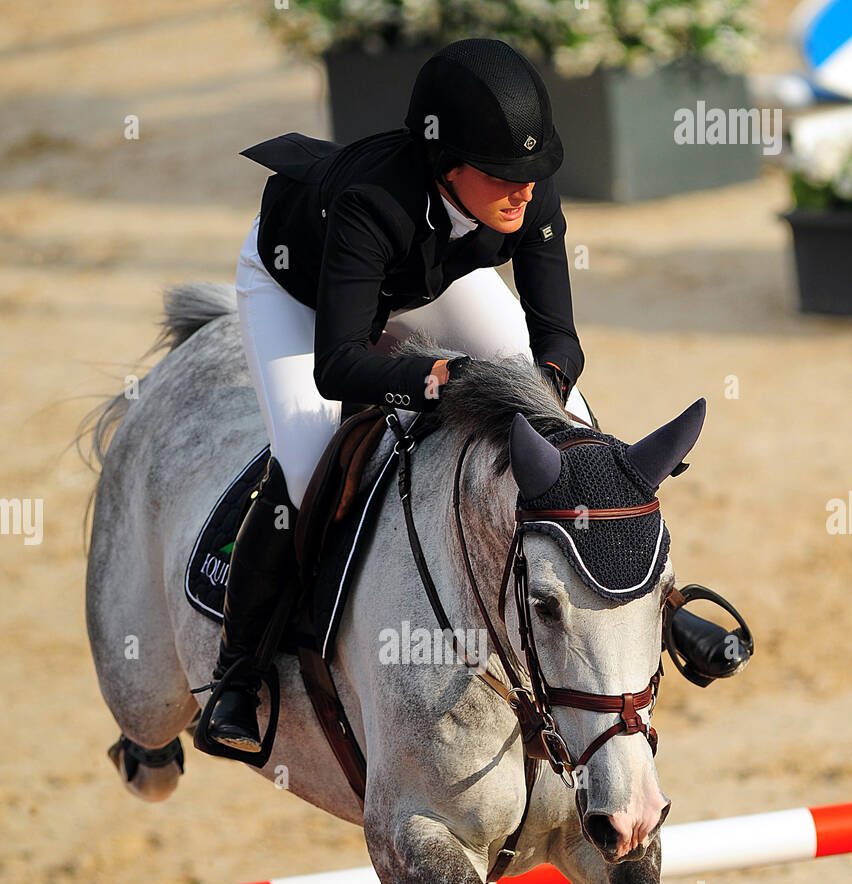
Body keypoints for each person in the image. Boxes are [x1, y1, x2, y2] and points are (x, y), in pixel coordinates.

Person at [205, 37, 748, 755]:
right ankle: (238, 677)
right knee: (305, 465)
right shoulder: (371, 203)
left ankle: (670, 607)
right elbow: (340, 364)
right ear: (448, 169)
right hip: (299, 290)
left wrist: (537, 397)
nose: (525, 190)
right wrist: (438, 381)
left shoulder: (522, 195)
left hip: (432, 275)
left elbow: (560, 343)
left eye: (533, 170)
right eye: (503, 174)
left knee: (576, 423)